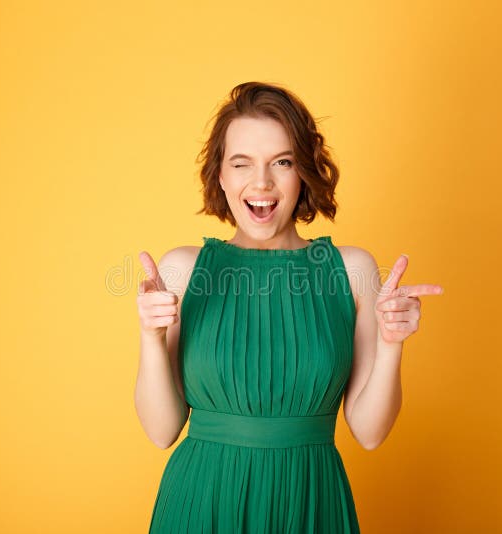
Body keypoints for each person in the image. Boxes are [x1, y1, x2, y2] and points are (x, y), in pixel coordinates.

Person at [134, 81, 444, 533]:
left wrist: (392, 344)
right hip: (202, 505)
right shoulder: (183, 270)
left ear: (304, 173)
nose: (261, 182)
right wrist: (150, 337)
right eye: (242, 164)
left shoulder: (352, 271)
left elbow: (371, 433)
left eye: (282, 162)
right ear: (221, 175)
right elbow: (162, 432)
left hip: (310, 505)